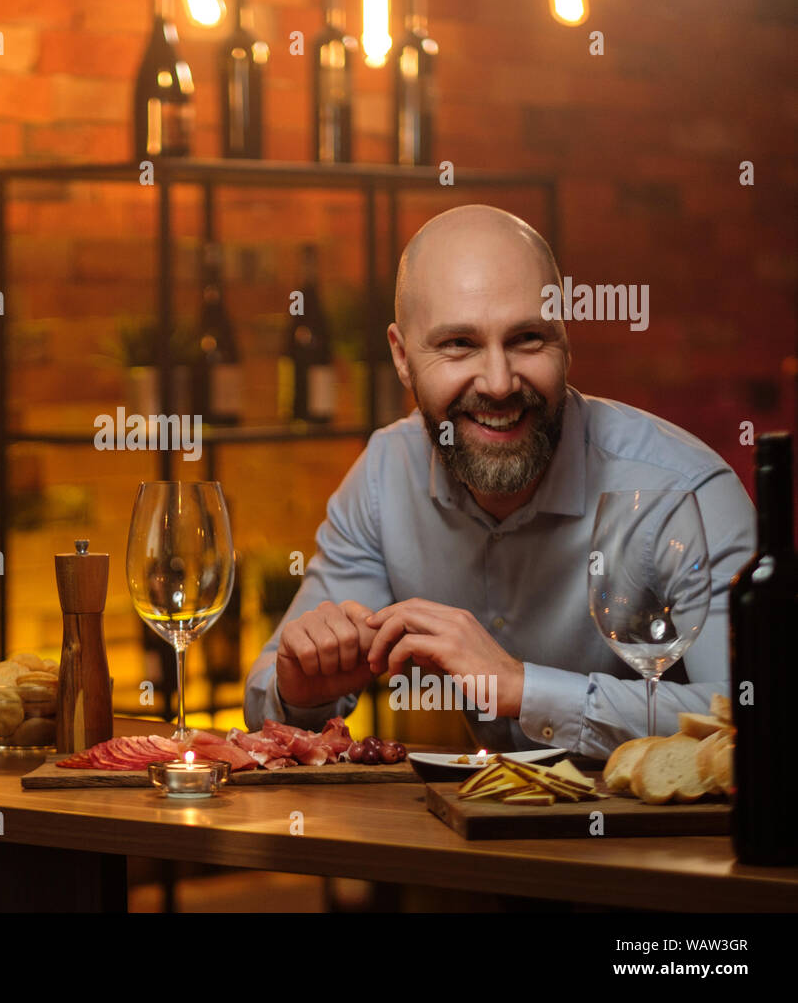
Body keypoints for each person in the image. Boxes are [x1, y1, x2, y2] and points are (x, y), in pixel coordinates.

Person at [243, 204, 754, 759]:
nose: (499, 382)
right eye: (458, 344)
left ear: (565, 340)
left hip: (669, 839)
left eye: (528, 338)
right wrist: (298, 693)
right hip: (480, 830)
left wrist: (523, 688)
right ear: (401, 357)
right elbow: (269, 697)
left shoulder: (685, 491)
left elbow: (759, 714)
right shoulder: (384, 477)